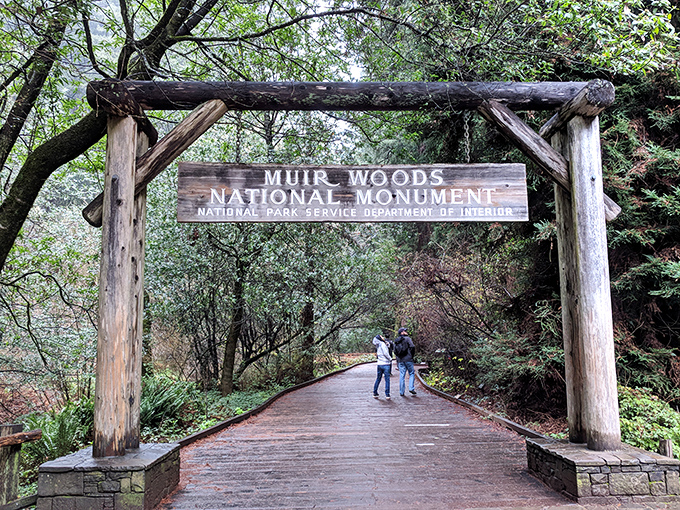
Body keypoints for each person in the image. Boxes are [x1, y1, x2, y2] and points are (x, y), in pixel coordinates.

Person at [394, 327, 416, 396]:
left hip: (401, 360)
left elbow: (395, 351)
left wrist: (398, 359)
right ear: (402, 332)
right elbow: (412, 347)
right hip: (408, 359)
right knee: (411, 373)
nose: (406, 331)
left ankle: (401, 392)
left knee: (402, 375)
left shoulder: (396, 340)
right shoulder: (408, 339)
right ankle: (411, 388)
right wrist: (411, 355)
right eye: (405, 331)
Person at [372, 333, 393, 400]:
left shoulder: (378, 345)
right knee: (387, 380)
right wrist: (390, 359)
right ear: (380, 338)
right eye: (381, 336)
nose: (383, 337)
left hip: (379, 364)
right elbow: (385, 353)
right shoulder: (382, 344)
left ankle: (375, 393)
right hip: (386, 364)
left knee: (378, 378)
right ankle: (387, 394)